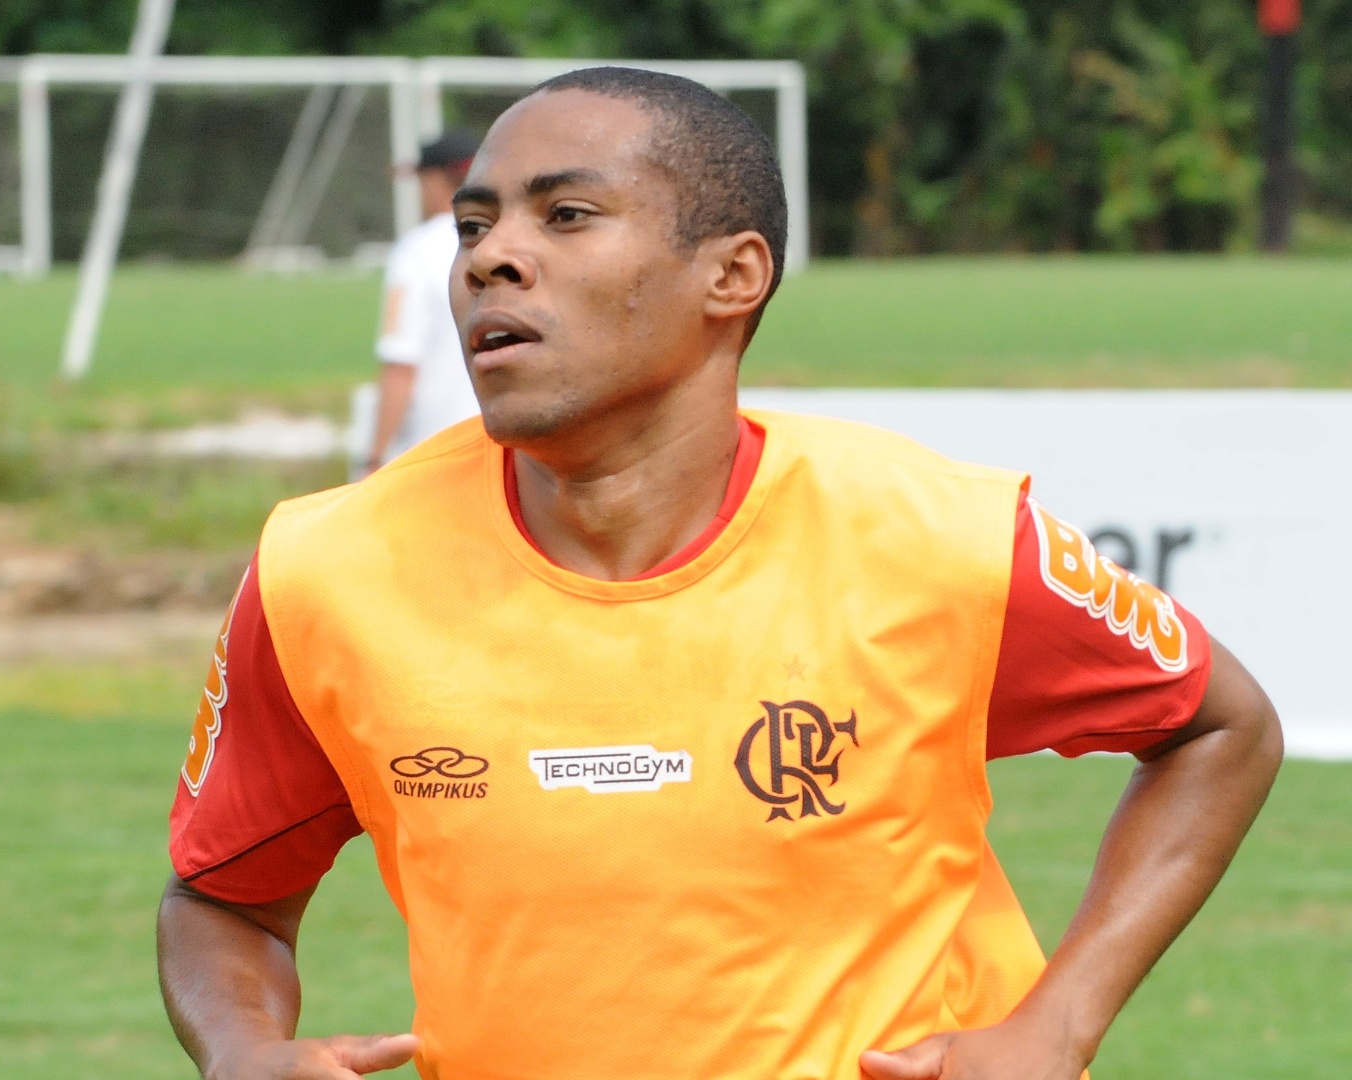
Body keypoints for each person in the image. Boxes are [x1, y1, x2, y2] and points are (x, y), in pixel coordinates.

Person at [159, 67, 1282, 1080]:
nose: (490, 256)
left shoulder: (939, 533)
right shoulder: (327, 566)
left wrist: (1057, 1024)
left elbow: (1220, 728)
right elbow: (223, 898)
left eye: (567, 214)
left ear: (733, 275)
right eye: (472, 224)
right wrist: (242, 1049)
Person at [364, 130, 484, 473]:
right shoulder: (510, 241)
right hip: (507, 453)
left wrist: (374, 458)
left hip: (436, 452)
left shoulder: (417, 251)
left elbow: (400, 363)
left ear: (436, 180)